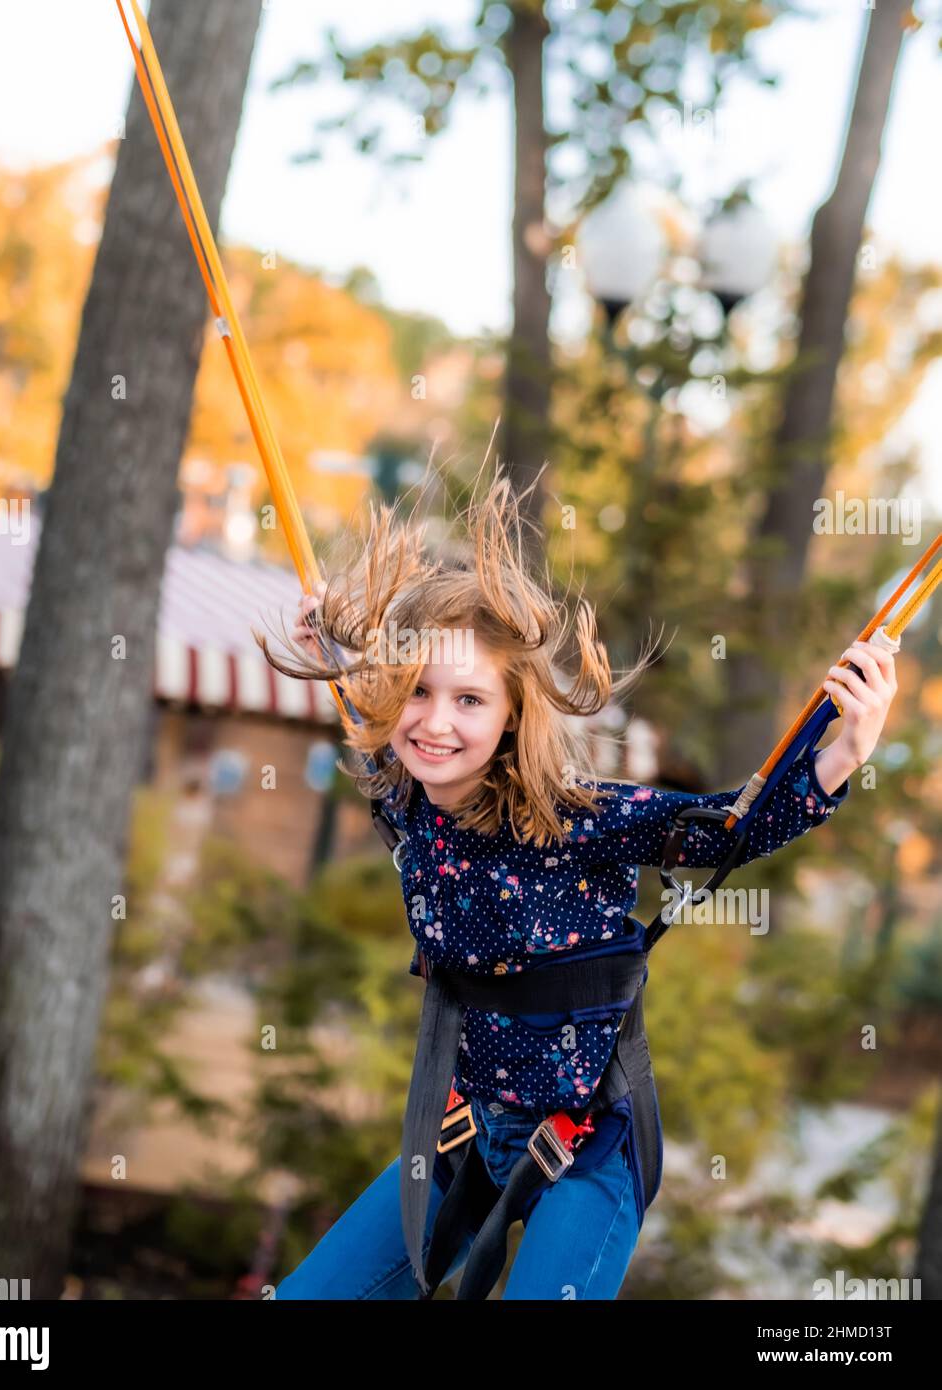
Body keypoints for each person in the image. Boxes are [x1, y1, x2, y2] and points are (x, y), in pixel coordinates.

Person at [254, 467, 897, 1300]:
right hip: (468, 1133)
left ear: (512, 714)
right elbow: (362, 700)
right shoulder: (404, 791)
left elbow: (727, 827)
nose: (437, 722)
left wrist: (842, 752)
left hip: (587, 1149)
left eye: (470, 700)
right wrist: (334, 647)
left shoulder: (576, 819)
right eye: (417, 692)